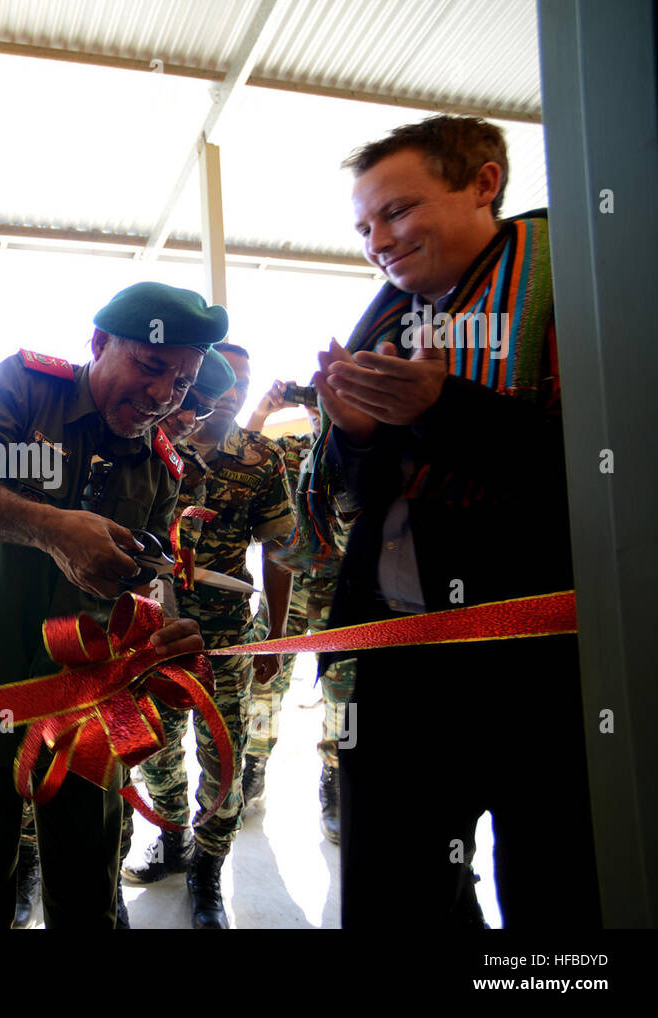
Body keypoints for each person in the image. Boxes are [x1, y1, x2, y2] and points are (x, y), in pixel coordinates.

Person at [308, 115, 599, 927]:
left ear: (483, 184)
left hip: (538, 663)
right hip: (398, 661)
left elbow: (605, 479)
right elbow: (357, 502)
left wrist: (443, 410)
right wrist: (358, 436)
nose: (378, 243)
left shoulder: (578, 290)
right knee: (393, 889)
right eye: (365, 227)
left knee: (557, 889)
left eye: (398, 212)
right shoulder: (388, 324)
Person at [0, 282, 224, 928]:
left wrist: (166, 631)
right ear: (100, 343)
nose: (164, 394)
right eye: (151, 366)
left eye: (183, 383)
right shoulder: (28, 390)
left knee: (87, 895)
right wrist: (50, 528)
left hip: (88, 710)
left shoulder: (162, 466)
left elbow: (151, 581)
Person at [119, 343, 293, 929]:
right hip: (156, 637)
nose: (230, 393)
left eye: (242, 382)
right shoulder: (150, 443)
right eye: (219, 382)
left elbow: (279, 549)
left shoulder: (261, 458)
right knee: (157, 748)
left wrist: (276, 633)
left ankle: (208, 869)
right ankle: (172, 839)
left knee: (223, 755)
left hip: (226, 638)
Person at [241, 385, 355, 843]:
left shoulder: (357, 453)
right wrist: (262, 411)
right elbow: (241, 454)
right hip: (284, 588)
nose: (320, 414)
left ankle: (337, 775)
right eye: (316, 404)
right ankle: (255, 764)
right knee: (263, 685)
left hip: (342, 593)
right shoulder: (289, 452)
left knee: (345, 697)